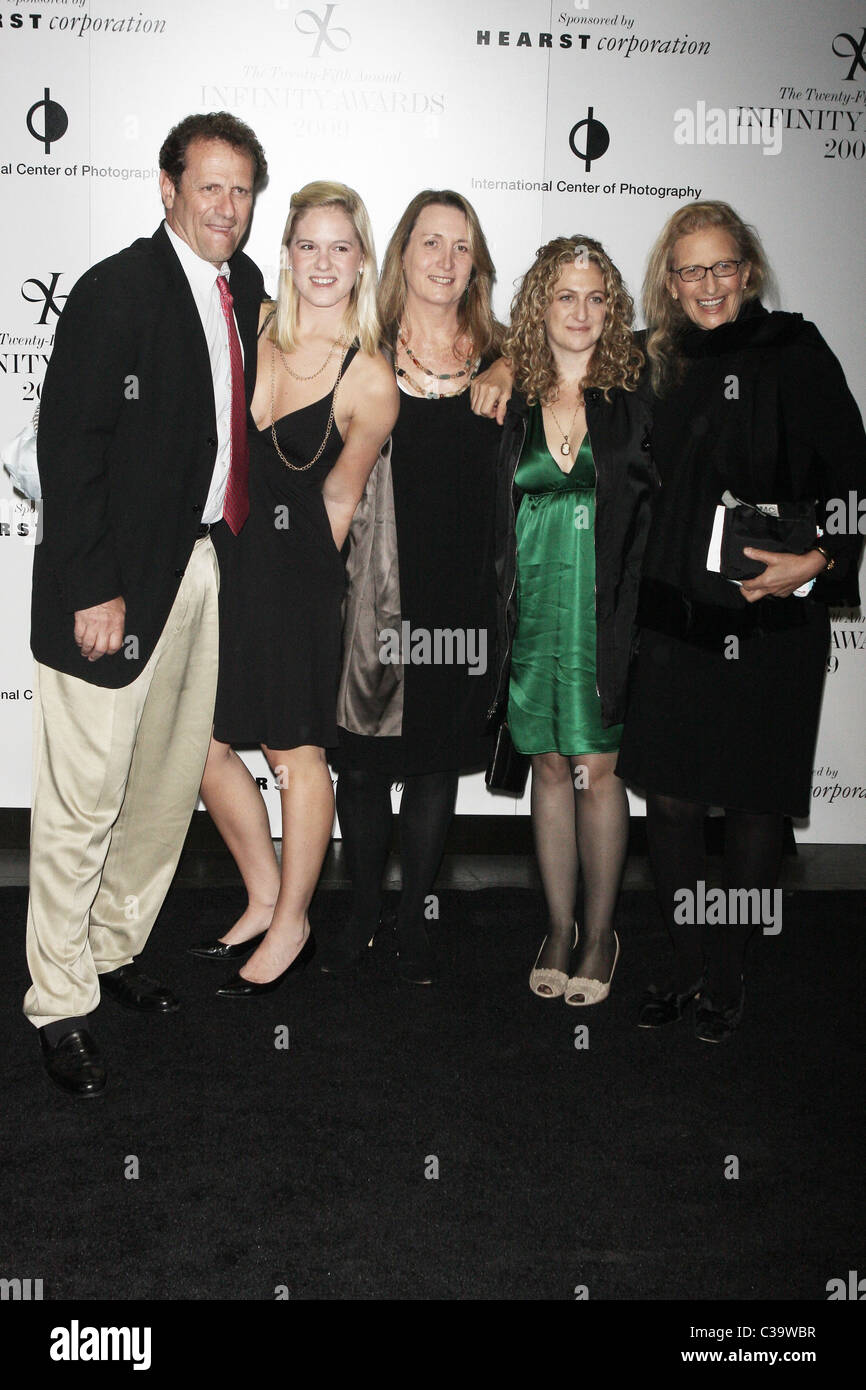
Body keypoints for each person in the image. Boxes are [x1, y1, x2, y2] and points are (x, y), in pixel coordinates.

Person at [26, 112, 268, 1095]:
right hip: (114, 582)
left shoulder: (244, 288)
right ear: (166, 187)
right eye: (208, 185)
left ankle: (114, 948)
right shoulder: (114, 291)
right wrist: (93, 585)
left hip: (203, 568)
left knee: (165, 785)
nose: (226, 206)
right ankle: (58, 1000)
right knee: (83, 802)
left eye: (241, 190)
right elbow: (69, 448)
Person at [616, 200, 866, 1041]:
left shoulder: (794, 350)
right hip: (675, 620)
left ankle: (729, 972)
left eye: (724, 267)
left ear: (749, 271)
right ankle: (687, 961)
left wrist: (822, 561)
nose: (709, 284)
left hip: (773, 624)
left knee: (756, 807)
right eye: (691, 269)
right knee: (677, 807)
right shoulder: (655, 363)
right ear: (670, 280)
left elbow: (853, 476)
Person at [191, 182, 398, 996]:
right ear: (284, 251)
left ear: (361, 262)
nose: (322, 262)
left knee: (294, 753)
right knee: (202, 749)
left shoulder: (368, 377)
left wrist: (309, 601)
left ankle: (293, 923)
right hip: (222, 560)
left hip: (299, 578)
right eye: (307, 244)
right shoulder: (251, 325)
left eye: (339, 247)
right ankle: (265, 891)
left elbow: (341, 500)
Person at [320, 190, 503, 985]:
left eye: (461, 248)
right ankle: (363, 909)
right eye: (431, 243)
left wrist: (508, 363)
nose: (445, 261)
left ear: (477, 265)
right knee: (360, 765)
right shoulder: (361, 349)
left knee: (434, 766)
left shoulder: (503, 355)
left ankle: (414, 916)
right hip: (372, 593)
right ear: (401, 254)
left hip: (464, 595)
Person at [490, 236, 654, 1005]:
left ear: (614, 309)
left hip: (605, 610)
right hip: (531, 612)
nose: (581, 312)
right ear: (538, 306)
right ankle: (557, 926)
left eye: (597, 298)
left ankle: (599, 931)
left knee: (598, 769)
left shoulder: (641, 391)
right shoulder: (511, 394)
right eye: (565, 296)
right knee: (550, 766)